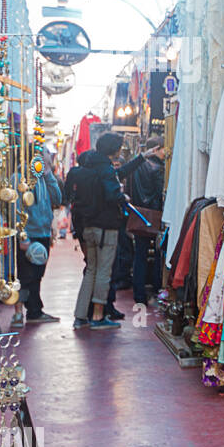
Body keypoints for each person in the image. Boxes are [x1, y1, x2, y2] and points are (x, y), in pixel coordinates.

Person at [63, 133, 128, 330]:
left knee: (91, 269)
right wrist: (122, 196)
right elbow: (111, 194)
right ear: (113, 150)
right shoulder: (106, 169)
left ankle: (80, 315)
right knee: (103, 271)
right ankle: (98, 316)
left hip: (87, 226)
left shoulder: (86, 167)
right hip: (105, 226)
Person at [116, 137, 167, 306]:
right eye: (163, 149)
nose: (165, 153)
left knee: (140, 254)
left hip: (138, 214)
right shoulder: (158, 169)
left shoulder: (136, 168)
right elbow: (159, 193)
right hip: (154, 215)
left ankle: (139, 293)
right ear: (157, 149)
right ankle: (157, 287)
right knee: (160, 252)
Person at [13, 163, 63, 326]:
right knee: (24, 276)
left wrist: (49, 175)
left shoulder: (44, 178)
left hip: (42, 232)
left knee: (37, 275)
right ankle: (19, 313)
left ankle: (35, 310)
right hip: (27, 234)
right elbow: (14, 209)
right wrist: (22, 237)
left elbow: (57, 198)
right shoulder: (19, 179)